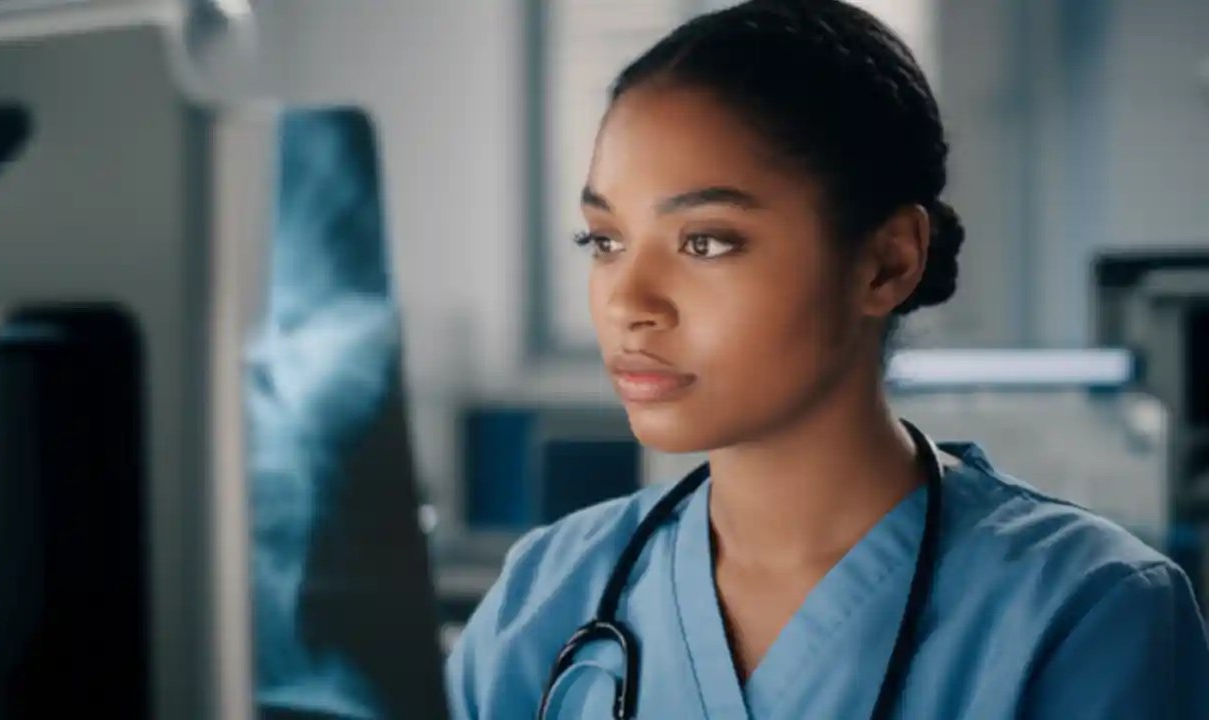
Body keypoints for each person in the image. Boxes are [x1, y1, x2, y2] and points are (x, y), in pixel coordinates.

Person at [446, 1, 1209, 717]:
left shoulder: (1088, 611)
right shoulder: (546, 592)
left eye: (705, 242)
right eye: (604, 241)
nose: (626, 300)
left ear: (886, 263)